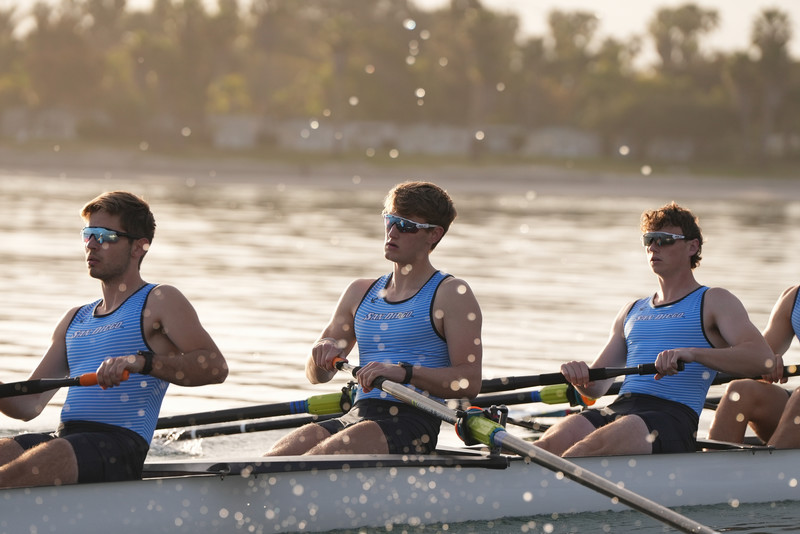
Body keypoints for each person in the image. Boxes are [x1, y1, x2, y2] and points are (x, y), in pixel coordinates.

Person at [0, 191, 228, 488]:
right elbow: (28, 405)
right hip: (69, 442)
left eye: (105, 236)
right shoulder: (74, 318)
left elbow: (214, 367)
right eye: (88, 234)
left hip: (119, 447)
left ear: (139, 246)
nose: (92, 244)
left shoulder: (160, 300)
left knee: (53, 451)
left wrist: (141, 363)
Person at [534, 201, 773, 457]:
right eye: (649, 239)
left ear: (692, 247)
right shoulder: (632, 310)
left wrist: (693, 354)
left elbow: (763, 360)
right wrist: (580, 376)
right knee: (544, 448)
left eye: (664, 239)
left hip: (672, 417)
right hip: (620, 408)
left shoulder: (714, 300)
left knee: (584, 450)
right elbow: (596, 388)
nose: (653, 247)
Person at [266, 181, 482, 456]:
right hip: (356, 414)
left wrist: (405, 373)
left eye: (405, 225)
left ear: (433, 235)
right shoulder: (359, 292)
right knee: (274, 458)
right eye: (390, 220)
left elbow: (469, 382)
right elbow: (315, 376)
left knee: (317, 458)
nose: (392, 232)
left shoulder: (452, 293)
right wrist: (320, 356)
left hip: (411, 423)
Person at [707, 285, 800, 448]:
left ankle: (770, 470)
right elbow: (757, 361)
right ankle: (711, 468)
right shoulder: (793, 299)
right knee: (740, 391)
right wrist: (769, 363)